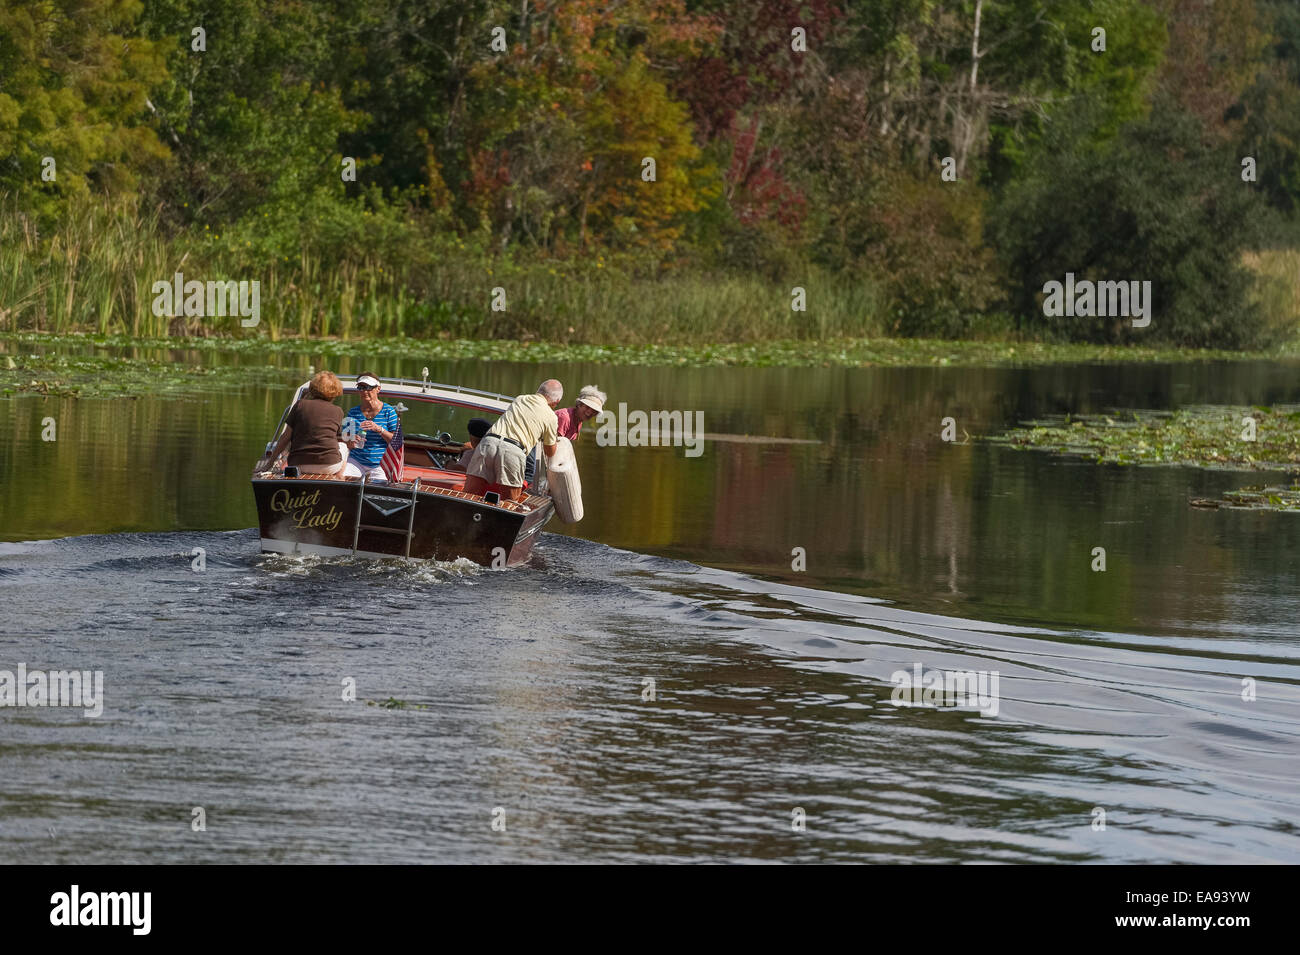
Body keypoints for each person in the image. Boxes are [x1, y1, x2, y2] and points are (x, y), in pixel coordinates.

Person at [464, 379, 562, 503]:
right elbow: (550, 452)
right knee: (510, 503)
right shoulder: (551, 417)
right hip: (513, 450)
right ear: (556, 402)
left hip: (488, 442)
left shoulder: (520, 399)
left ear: (538, 391)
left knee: (468, 495)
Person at [263, 371, 348, 476]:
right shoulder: (338, 411)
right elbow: (335, 437)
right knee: (344, 447)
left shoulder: (300, 405)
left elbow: (285, 437)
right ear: (335, 391)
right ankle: (338, 480)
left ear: (313, 388)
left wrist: (269, 464)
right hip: (328, 466)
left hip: (298, 465)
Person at [342, 372, 400, 482]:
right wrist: (351, 440)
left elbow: (396, 441)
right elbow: (346, 442)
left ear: (378, 389)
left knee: (382, 490)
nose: (364, 391)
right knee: (341, 479)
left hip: (379, 465)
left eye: (368, 387)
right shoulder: (353, 412)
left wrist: (380, 429)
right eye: (361, 387)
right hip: (356, 461)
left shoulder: (389, 411)